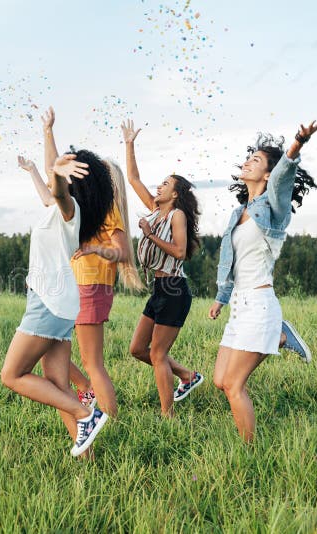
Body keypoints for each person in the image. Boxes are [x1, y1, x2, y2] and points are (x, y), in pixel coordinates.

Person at [208, 119, 317, 442]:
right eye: (249, 157)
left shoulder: (272, 208)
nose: (248, 161)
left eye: (257, 160)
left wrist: (297, 143)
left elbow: (282, 177)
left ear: (267, 174)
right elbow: (232, 262)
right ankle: (278, 337)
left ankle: (249, 454)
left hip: (260, 304)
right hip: (240, 306)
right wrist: (221, 298)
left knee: (235, 386)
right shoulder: (240, 213)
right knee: (220, 380)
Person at [1, 140, 115, 457]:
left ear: (73, 183)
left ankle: (86, 414)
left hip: (48, 305)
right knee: (59, 385)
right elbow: (49, 195)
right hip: (61, 304)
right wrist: (35, 169)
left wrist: (58, 175)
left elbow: (60, 194)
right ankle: (88, 456)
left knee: (12, 375)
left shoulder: (70, 210)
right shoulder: (58, 211)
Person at [121, 119, 204, 417]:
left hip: (173, 289)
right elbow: (133, 179)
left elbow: (180, 252)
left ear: (175, 194)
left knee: (157, 354)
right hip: (159, 288)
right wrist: (129, 143)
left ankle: (167, 416)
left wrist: (150, 234)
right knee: (137, 349)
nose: (159, 186)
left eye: (165, 184)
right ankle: (187, 375)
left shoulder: (176, 215)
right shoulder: (157, 210)